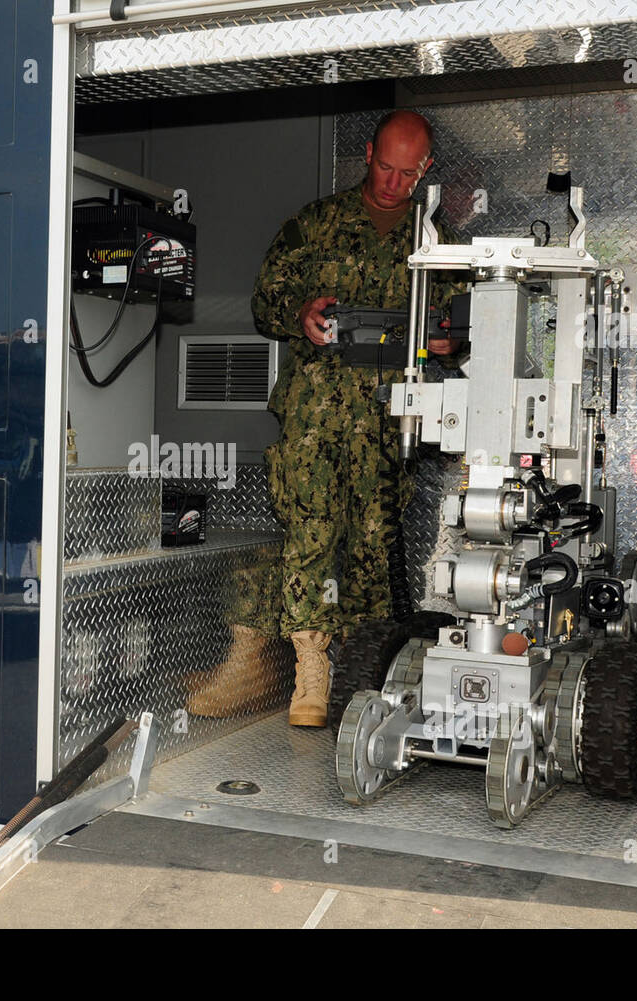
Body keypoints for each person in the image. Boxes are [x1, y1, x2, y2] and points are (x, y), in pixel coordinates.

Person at [186, 110, 463, 727]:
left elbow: (458, 322)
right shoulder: (315, 224)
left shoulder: (436, 241)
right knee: (309, 539)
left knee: (373, 552)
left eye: (407, 173)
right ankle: (309, 675)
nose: (393, 183)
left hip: (391, 423)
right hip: (315, 417)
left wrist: (450, 342)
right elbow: (265, 302)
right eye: (384, 167)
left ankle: (359, 679)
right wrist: (300, 312)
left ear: (427, 169)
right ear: (367, 154)